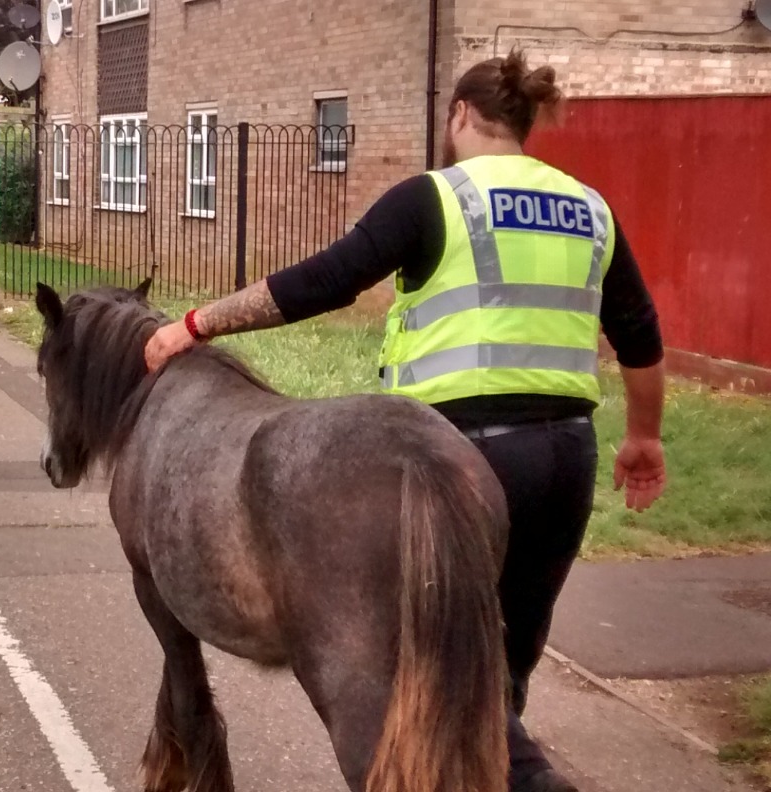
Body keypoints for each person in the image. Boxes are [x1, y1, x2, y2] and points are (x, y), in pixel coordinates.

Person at [144, 50, 668, 792]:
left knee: (463, 685)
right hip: (568, 458)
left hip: (467, 458)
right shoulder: (588, 206)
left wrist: (199, 323)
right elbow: (641, 335)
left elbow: (325, 280)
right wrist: (643, 438)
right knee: (503, 669)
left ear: (459, 114)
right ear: (521, 120)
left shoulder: (436, 199)